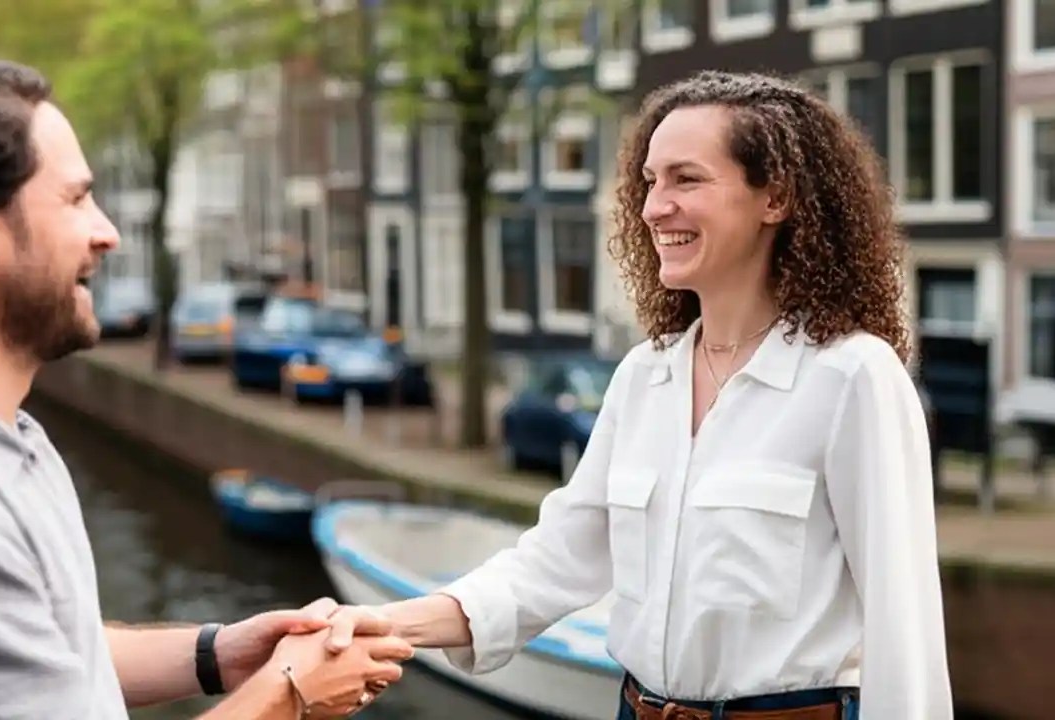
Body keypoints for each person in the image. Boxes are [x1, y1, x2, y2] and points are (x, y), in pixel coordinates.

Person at [322, 70, 953, 719]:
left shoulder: (852, 378)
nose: (653, 207)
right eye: (651, 181)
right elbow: (556, 561)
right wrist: (381, 624)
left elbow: (904, 629)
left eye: (686, 179)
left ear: (777, 197)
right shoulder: (643, 378)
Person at [0, 58, 410, 719]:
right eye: (74, 199)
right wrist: (288, 693)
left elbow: (41, 663)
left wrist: (218, 652)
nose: (108, 232)